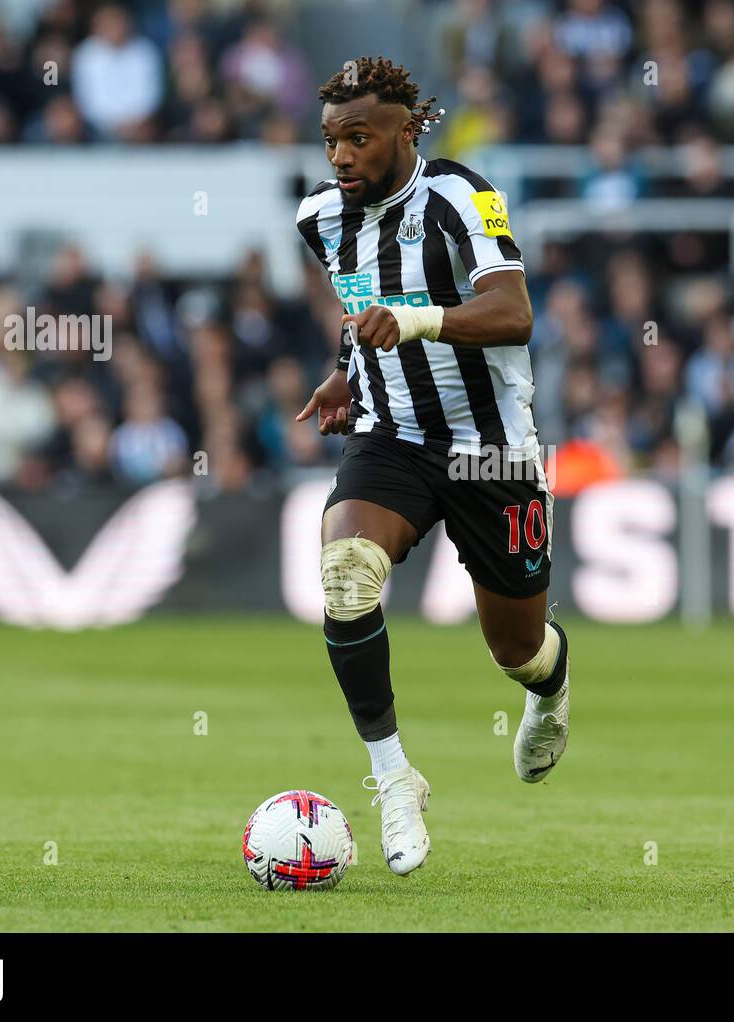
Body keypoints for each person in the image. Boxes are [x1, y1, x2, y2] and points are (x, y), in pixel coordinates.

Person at [293, 56, 571, 877]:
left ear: (407, 130)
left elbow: (514, 311)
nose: (341, 155)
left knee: (516, 648)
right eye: (331, 139)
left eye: (359, 138)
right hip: (393, 437)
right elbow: (361, 300)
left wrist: (412, 323)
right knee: (346, 573)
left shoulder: (460, 194)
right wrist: (350, 367)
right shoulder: (318, 218)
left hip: (491, 449)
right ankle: (392, 777)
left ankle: (550, 693)